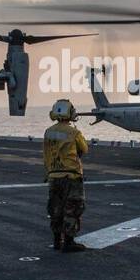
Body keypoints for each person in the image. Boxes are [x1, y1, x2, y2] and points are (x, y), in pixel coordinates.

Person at [43, 99, 88, 253]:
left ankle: (57, 240)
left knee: (55, 207)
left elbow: (46, 153)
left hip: (53, 176)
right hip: (71, 176)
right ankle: (69, 241)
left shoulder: (48, 132)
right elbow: (84, 149)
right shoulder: (74, 132)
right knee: (73, 207)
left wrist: (48, 171)